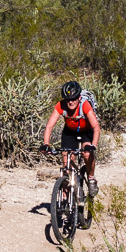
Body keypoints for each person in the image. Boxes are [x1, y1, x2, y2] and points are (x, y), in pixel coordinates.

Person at [41, 80, 101, 226]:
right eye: (68, 99)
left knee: (87, 154)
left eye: (74, 98)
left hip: (86, 131)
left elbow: (96, 127)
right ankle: (65, 196)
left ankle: (91, 178)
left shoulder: (84, 105)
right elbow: (49, 126)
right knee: (66, 162)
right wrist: (46, 144)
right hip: (70, 132)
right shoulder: (60, 106)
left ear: (79, 97)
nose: (71, 102)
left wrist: (93, 145)